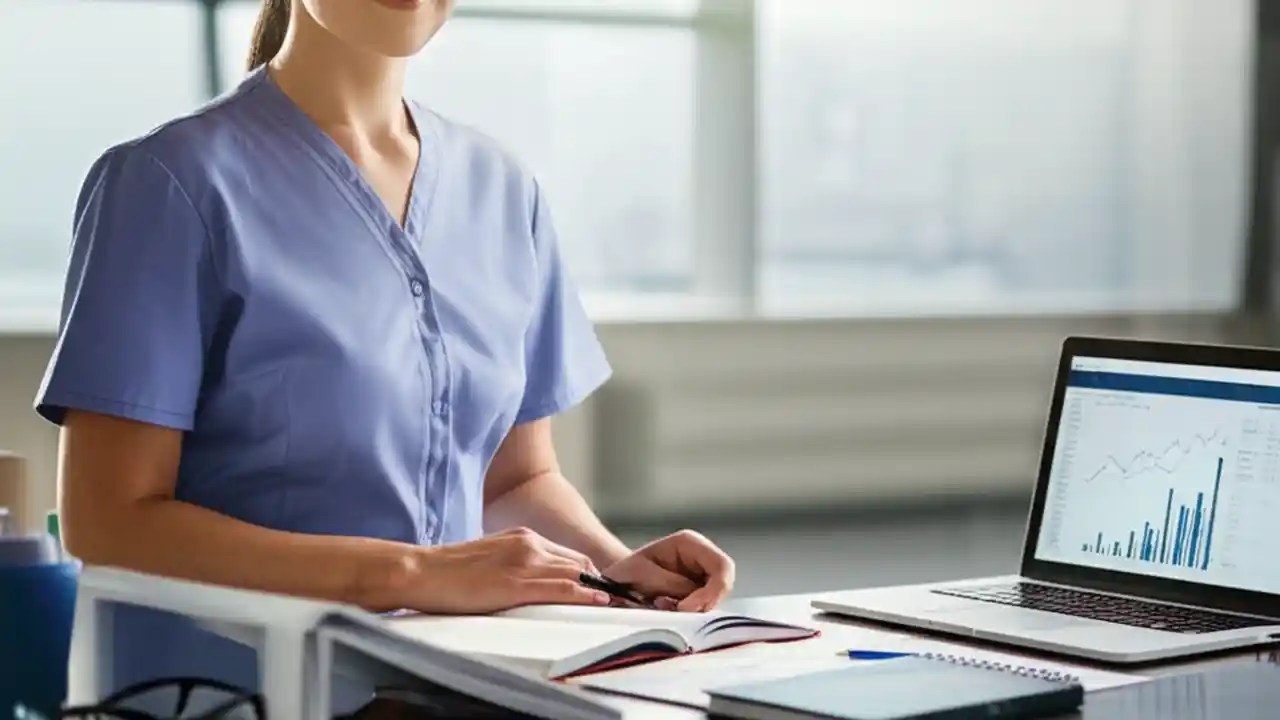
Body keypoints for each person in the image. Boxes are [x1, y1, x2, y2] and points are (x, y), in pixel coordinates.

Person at [34, 0, 734, 702]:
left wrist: (615, 574)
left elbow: (513, 484)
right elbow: (111, 522)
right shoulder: (168, 183)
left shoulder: (503, 191)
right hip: (236, 690)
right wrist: (411, 574)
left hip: (456, 683)